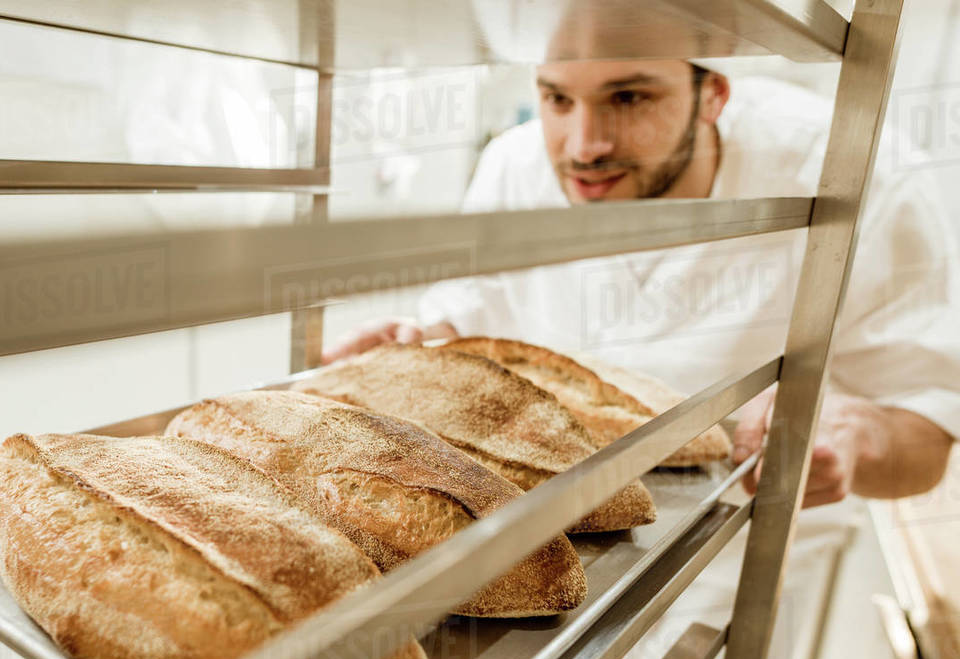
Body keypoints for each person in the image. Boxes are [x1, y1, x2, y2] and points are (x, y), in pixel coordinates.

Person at [322, 58, 958, 506]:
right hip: (535, 556)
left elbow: (925, 446)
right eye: (557, 98)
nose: (585, 145)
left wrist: (861, 435)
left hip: (732, 581)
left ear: (714, 95)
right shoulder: (513, 166)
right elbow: (469, 319)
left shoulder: (858, 176)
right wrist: (420, 345)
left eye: (629, 98)